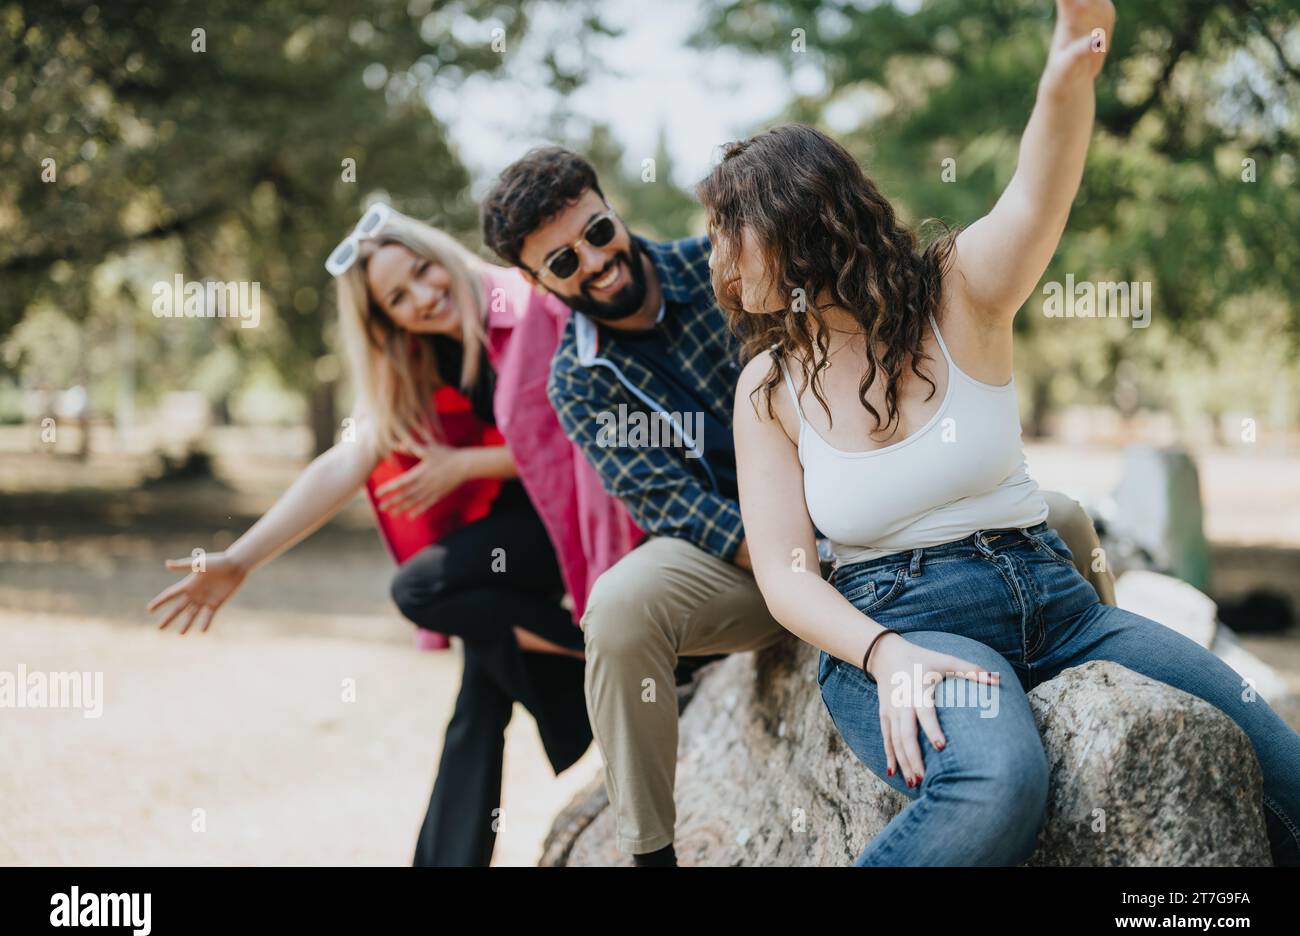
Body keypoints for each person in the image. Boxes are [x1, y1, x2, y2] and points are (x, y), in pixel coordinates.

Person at [711, 0, 1300, 866]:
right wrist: (887, 657)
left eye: (731, 229)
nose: (717, 256)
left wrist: (1067, 73)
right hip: (902, 617)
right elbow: (787, 575)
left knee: (1275, 754)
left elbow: (1039, 190)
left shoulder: (959, 292)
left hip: (1054, 599)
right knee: (998, 783)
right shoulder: (768, 387)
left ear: (799, 222)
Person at [480, 145, 1115, 866]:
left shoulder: (734, 259)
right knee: (620, 610)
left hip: (874, 516)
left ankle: (1101, 689)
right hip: (748, 556)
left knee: (1061, 518)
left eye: (597, 233)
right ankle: (649, 851)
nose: (594, 262)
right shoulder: (577, 379)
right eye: (561, 263)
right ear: (535, 282)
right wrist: (803, 559)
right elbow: (675, 506)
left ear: (611, 210)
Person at [146, 204, 641, 866]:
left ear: (439, 250)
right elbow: (345, 463)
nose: (423, 297)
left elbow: (579, 437)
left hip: (581, 521)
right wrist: (241, 558)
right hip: (514, 534)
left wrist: (467, 464)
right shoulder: (411, 356)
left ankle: (593, 659)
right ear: (386, 319)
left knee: (425, 587)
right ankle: (573, 677)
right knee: (478, 700)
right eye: (399, 299)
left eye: (421, 273)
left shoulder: (525, 305)